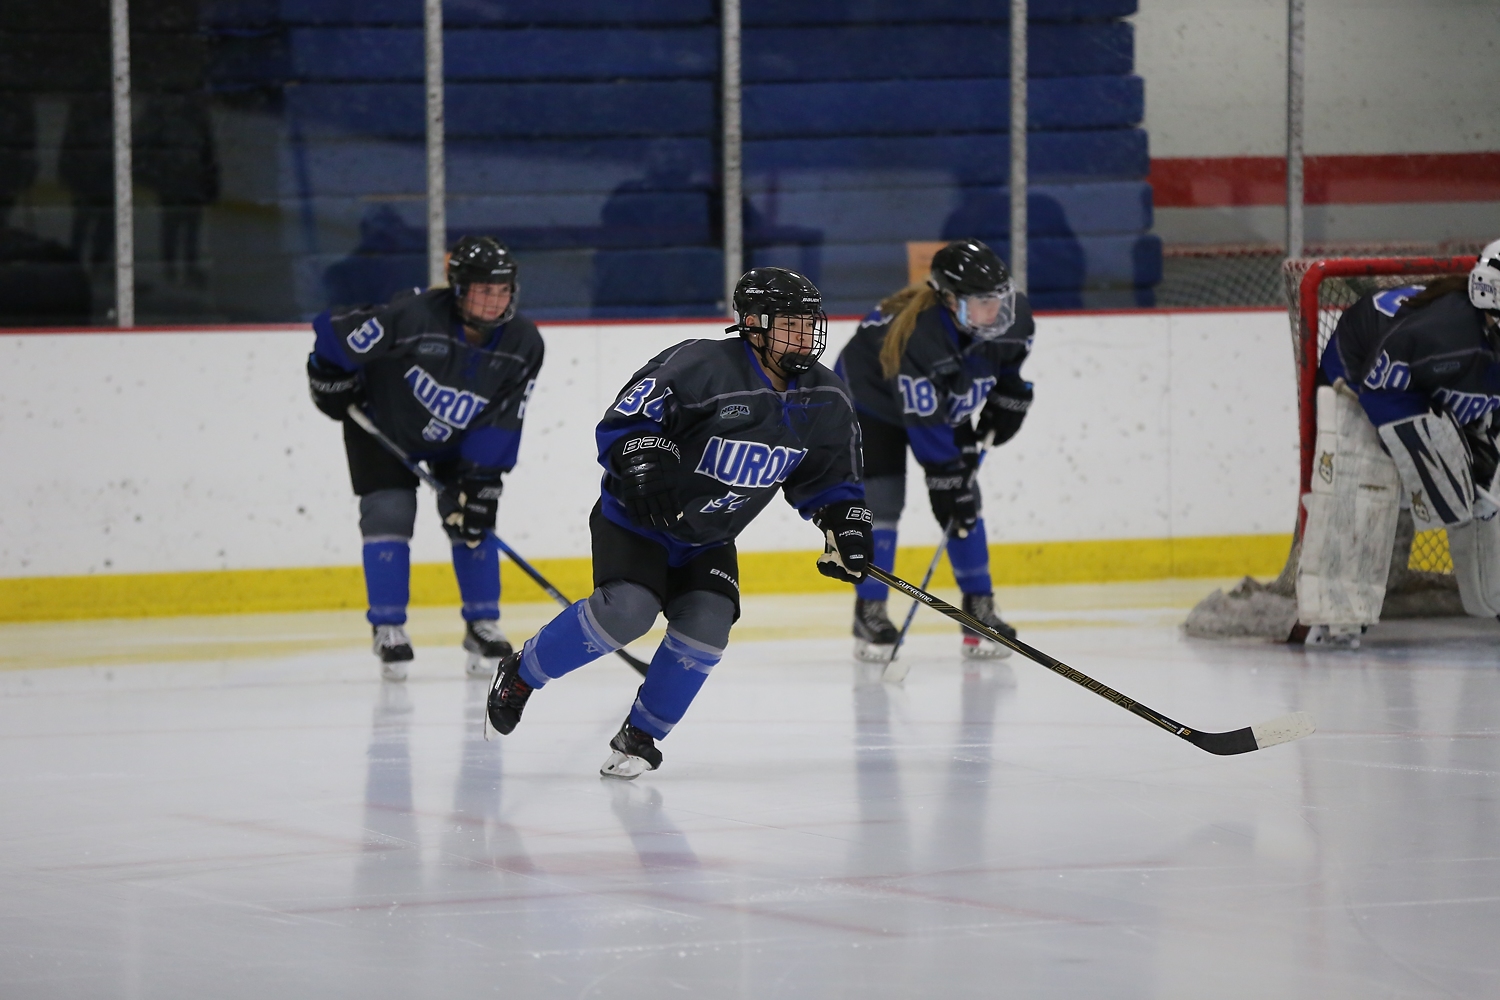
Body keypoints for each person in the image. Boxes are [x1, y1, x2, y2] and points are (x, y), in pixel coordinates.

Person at [483, 267, 871, 778]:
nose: (804, 335)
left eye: (808, 323)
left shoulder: (826, 399)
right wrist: (643, 457)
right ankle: (522, 673)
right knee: (628, 612)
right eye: (789, 324)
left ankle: (641, 734)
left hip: (709, 534)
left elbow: (830, 480)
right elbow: (629, 419)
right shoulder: (702, 364)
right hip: (638, 520)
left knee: (708, 627)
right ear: (753, 323)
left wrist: (844, 523)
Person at [305, 236, 544, 680]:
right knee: (389, 512)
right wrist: (326, 375)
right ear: (458, 288)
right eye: (482, 290)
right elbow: (336, 334)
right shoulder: (413, 316)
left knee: (473, 520)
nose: (494, 301)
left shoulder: (523, 342)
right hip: (383, 426)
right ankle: (389, 628)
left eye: (502, 290)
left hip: (459, 438)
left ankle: (481, 623)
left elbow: (505, 416)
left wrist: (484, 480)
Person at [835, 239, 1035, 661]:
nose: (994, 311)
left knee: (964, 506)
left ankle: (979, 610)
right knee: (881, 503)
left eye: (998, 299)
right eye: (981, 302)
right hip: (869, 401)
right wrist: (949, 481)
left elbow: (1008, 367)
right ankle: (869, 610)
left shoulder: (1010, 321)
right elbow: (927, 428)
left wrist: (1010, 398)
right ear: (949, 300)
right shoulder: (917, 338)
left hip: (940, 399)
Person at [1298, 241, 1500, 646]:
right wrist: (1418, 457)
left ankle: (1492, 600)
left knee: (1487, 492)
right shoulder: (1447, 336)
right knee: (1364, 485)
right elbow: (1380, 386)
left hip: (1443, 390)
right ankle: (1338, 618)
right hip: (1361, 381)